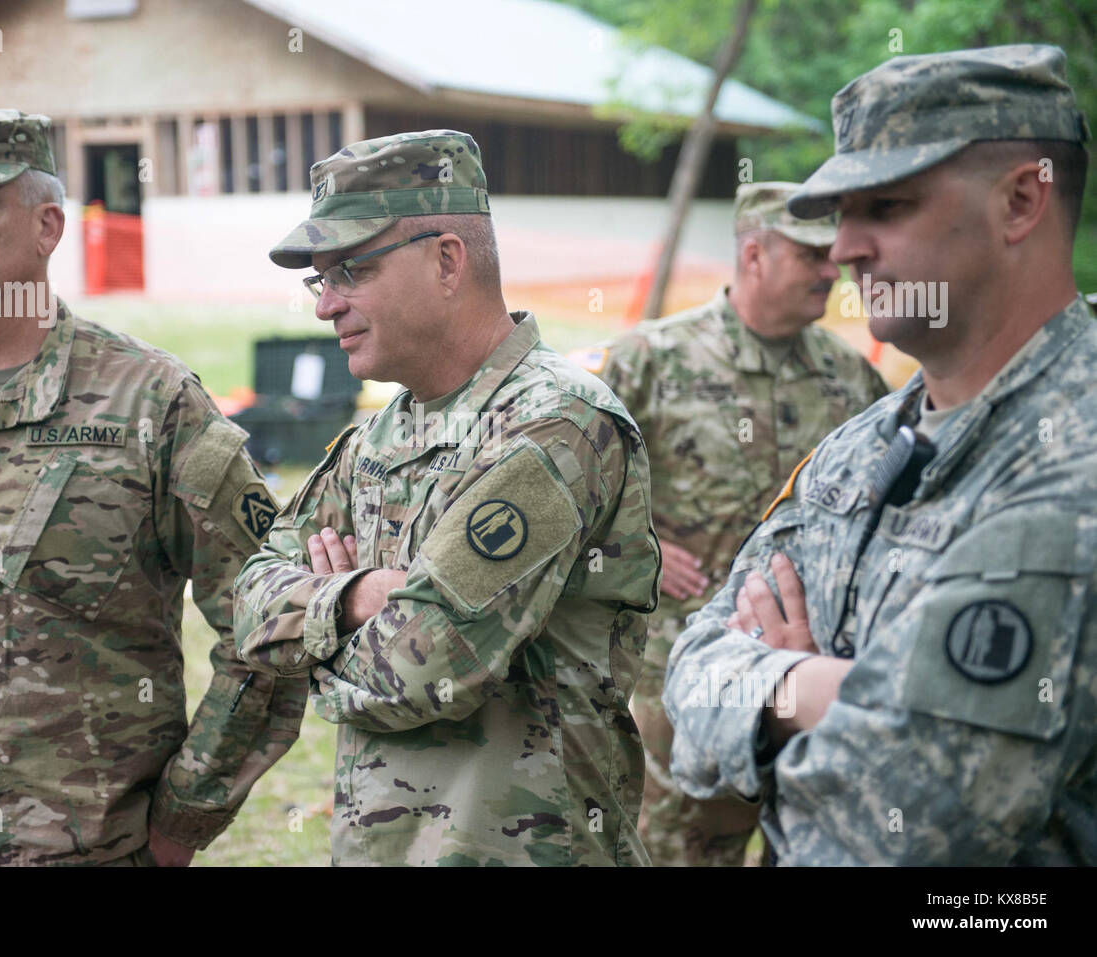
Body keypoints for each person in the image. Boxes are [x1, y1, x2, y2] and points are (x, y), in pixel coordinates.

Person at [0, 108, 305, 866]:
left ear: (48, 226)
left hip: (95, 847)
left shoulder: (152, 402)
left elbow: (268, 622)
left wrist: (184, 815)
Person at [662, 44, 1097, 864]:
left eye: (887, 207)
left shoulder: (1073, 454)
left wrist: (775, 708)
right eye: (840, 214)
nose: (844, 249)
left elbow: (901, 822)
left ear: (1022, 200)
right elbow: (688, 676)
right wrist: (813, 689)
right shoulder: (861, 444)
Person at [232, 129, 662, 866]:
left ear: (447, 260)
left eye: (352, 270)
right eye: (320, 279)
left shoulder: (555, 424)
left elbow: (422, 670)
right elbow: (246, 600)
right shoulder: (381, 434)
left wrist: (312, 628)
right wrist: (358, 595)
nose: (324, 305)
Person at [576, 182, 889, 865]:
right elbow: (570, 486)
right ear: (754, 255)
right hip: (682, 669)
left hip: (815, 666)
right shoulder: (651, 359)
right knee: (682, 847)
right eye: (811, 256)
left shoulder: (851, 377)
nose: (832, 270)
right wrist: (639, 543)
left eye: (831, 255)